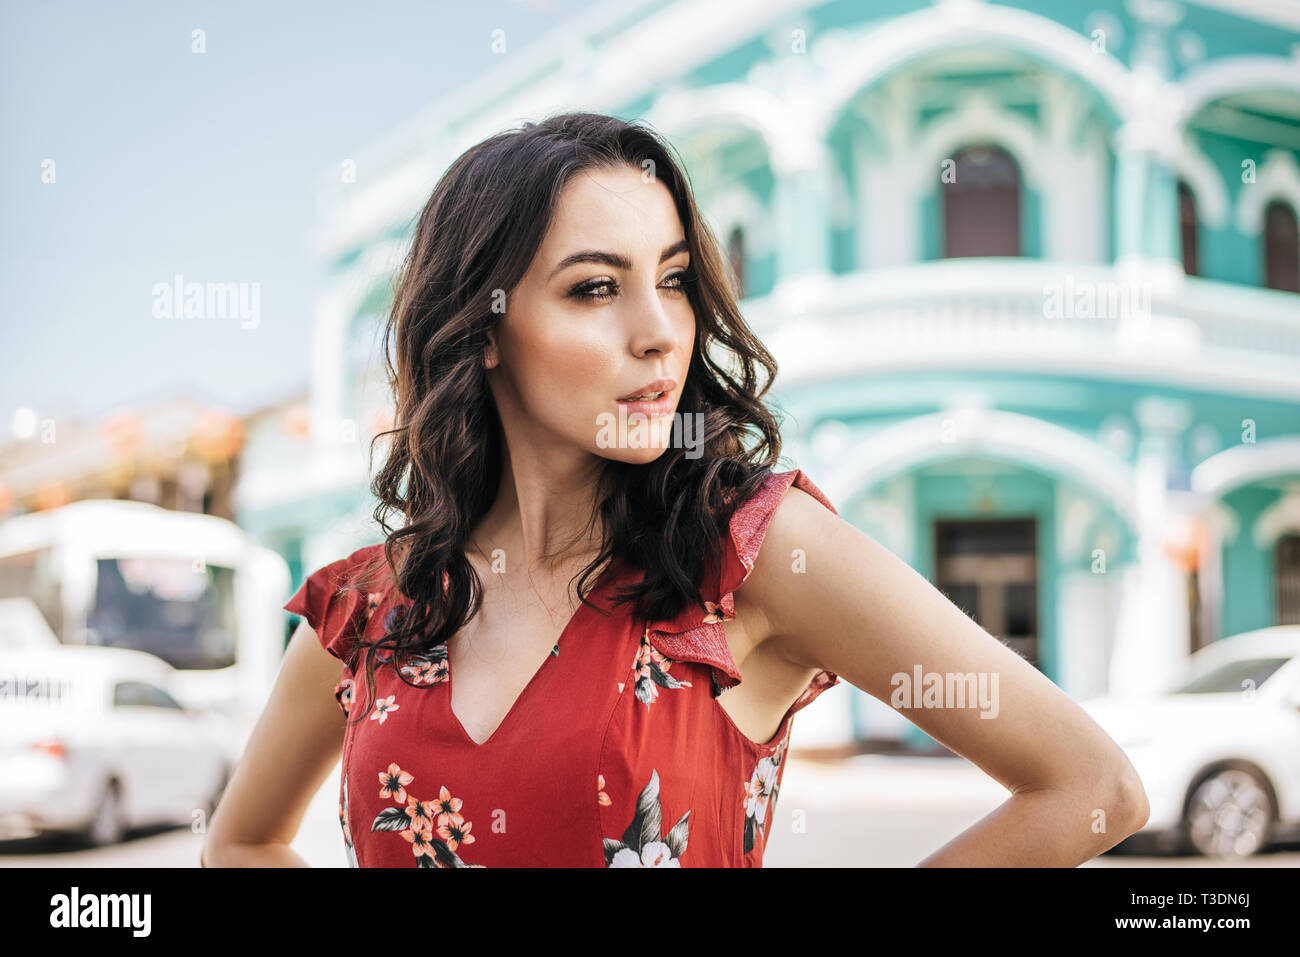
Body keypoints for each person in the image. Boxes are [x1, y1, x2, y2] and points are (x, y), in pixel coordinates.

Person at [201, 112, 1148, 868]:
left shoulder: (750, 553)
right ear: (483, 328)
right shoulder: (373, 602)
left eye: (676, 278)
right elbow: (239, 842)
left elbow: (1091, 788)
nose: (660, 331)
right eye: (594, 288)